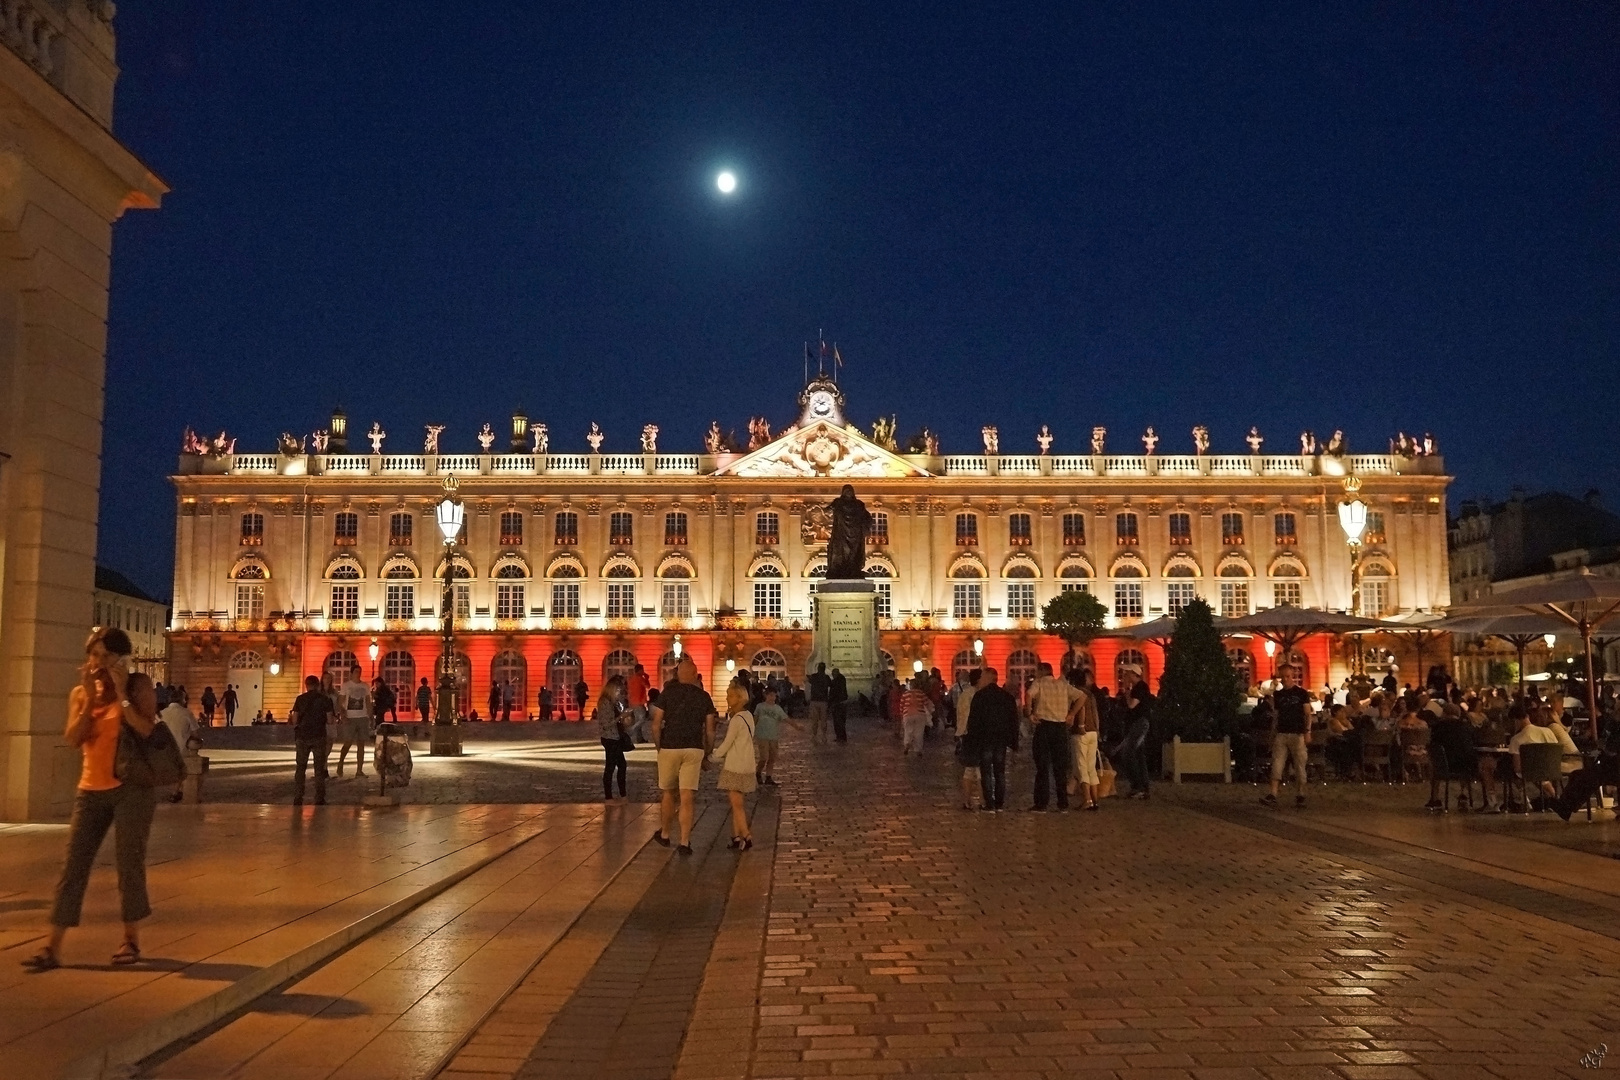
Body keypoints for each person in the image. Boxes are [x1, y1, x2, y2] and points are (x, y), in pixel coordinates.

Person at [24, 630, 158, 972]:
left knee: (129, 864)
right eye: (93, 656)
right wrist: (87, 698)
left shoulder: (138, 687)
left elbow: (145, 729)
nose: (97, 663)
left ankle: (131, 939)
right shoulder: (81, 693)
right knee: (73, 867)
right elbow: (73, 738)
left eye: (104, 656)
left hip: (131, 789)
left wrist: (123, 696)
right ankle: (52, 946)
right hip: (90, 789)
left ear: (120, 659)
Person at [650, 656, 718, 855]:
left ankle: (664, 834)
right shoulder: (703, 696)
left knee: (669, 792)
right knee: (687, 795)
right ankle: (685, 842)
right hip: (693, 748)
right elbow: (710, 729)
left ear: (678, 674)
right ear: (696, 676)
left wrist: (658, 746)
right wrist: (708, 751)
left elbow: (655, 724)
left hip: (670, 746)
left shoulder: (667, 693)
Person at [1026, 661, 1082, 812]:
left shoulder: (1039, 683)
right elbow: (1082, 697)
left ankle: (1041, 804)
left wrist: (1030, 713)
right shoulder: (1062, 685)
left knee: (1042, 766)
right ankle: (1062, 803)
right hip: (1060, 728)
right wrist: (1071, 714)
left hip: (1044, 726)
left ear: (1042, 671)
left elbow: (1029, 695)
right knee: (1060, 767)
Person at [712, 678, 758, 849]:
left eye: (730, 696)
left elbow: (727, 743)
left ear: (740, 698)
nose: (727, 699)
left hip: (735, 766)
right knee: (737, 802)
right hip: (747, 764)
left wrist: (713, 756)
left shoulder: (737, 719)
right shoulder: (748, 716)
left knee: (736, 804)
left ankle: (746, 835)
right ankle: (735, 837)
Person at [966, 667, 1019, 811]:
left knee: (986, 772)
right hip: (1001, 739)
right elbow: (1014, 720)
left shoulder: (980, 696)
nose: (980, 679)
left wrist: (972, 740)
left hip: (985, 739)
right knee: (1000, 771)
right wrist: (1014, 743)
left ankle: (989, 803)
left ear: (988, 678)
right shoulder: (1007, 697)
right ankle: (1000, 803)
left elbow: (973, 721)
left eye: (982, 676)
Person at [1262, 664, 1312, 808]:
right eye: (1283, 677)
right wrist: (1273, 733)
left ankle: (1301, 794)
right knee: (1277, 764)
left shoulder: (1302, 693)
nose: (1285, 679)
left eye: (1288, 676)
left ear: (1292, 676)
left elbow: (1307, 714)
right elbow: (1276, 716)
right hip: (1282, 733)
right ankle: (1273, 794)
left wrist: (1307, 731)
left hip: (1297, 733)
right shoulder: (1278, 695)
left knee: (1299, 765)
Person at [290, 674, 335, 806]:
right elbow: (330, 720)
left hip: (302, 736)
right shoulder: (325, 699)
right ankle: (319, 798)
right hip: (319, 735)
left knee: (300, 768)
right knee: (319, 768)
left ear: (306, 685)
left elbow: (295, 719)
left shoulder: (300, 699)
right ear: (317, 685)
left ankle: (298, 797)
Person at [1113, 665, 1154, 799]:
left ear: (1133, 674)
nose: (1125, 676)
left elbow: (1131, 705)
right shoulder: (1141, 687)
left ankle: (1138, 786)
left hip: (1139, 723)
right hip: (1139, 723)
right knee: (1138, 755)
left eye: (1127, 673)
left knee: (1129, 754)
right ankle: (1142, 787)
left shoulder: (1140, 687)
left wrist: (1126, 691)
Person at [1067, 668, 1102, 811]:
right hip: (1093, 731)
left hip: (1081, 732)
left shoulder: (1078, 693)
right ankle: (1095, 800)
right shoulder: (1091, 694)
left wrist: (1080, 725)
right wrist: (1097, 730)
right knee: (1091, 767)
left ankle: (1087, 799)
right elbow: (1095, 713)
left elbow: (1081, 710)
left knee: (1081, 767)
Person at [158, 694, 200, 804]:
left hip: (164, 748)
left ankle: (175, 791)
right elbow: (195, 733)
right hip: (181, 747)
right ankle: (175, 792)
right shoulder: (186, 713)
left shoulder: (162, 713)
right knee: (181, 769)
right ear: (182, 701)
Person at [595, 677, 629, 800]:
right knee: (611, 767)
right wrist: (620, 717)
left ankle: (622, 795)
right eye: (618, 689)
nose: (619, 691)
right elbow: (606, 723)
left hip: (615, 736)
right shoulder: (604, 702)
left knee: (621, 765)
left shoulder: (613, 701)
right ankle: (609, 797)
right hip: (609, 737)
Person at [954, 668, 982, 810]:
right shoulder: (976, 695)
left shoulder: (965, 694)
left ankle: (966, 800)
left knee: (969, 770)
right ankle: (983, 801)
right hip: (974, 734)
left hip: (965, 734)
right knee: (979, 770)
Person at [336, 670, 372, 778]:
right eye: (356, 672)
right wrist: (343, 715)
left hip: (362, 717)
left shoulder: (365, 686)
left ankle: (359, 770)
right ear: (351, 674)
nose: (358, 674)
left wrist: (370, 716)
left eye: (359, 672)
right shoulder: (346, 686)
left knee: (361, 744)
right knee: (348, 742)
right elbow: (340, 701)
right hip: (350, 717)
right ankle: (341, 762)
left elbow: (368, 701)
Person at [753, 684, 789, 786]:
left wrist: (797, 726)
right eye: (770, 695)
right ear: (766, 695)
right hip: (762, 735)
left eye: (774, 695)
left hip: (773, 735)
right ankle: (758, 772)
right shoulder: (760, 706)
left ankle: (769, 776)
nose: (772, 697)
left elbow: (786, 718)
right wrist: (751, 730)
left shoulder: (777, 709)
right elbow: (755, 719)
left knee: (772, 757)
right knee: (763, 757)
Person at [900, 675, 932, 754]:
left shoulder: (905, 694)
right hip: (920, 714)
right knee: (919, 732)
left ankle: (907, 744)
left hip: (907, 714)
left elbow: (901, 705)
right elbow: (927, 703)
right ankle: (918, 750)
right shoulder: (921, 693)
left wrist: (902, 714)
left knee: (908, 731)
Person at [807, 663, 832, 745]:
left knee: (815, 720)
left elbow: (808, 679)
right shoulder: (826, 677)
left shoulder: (814, 676)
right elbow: (830, 685)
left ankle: (814, 736)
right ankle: (823, 736)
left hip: (815, 700)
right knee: (823, 720)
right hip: (823, 701)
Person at [627, 663, 652, 743]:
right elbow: (648, 686)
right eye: (642, 670)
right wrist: (646, 678)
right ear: (640, 670)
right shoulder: (640, 678)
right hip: (639, 702)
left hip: (632, 702)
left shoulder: (631, 679)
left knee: (638, 719)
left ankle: (639, 738)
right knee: (642, 719)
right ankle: (631, 730)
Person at [829, 667, 849, 743]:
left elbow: (833, 694)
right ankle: (841, 737)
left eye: (833, 674)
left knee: (838, 721)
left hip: (837, 703)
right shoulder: (842, 680)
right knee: (841, 722)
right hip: (842, 703)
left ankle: (840, 737)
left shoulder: (836, 682)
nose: (832, 675)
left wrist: (830, 703)